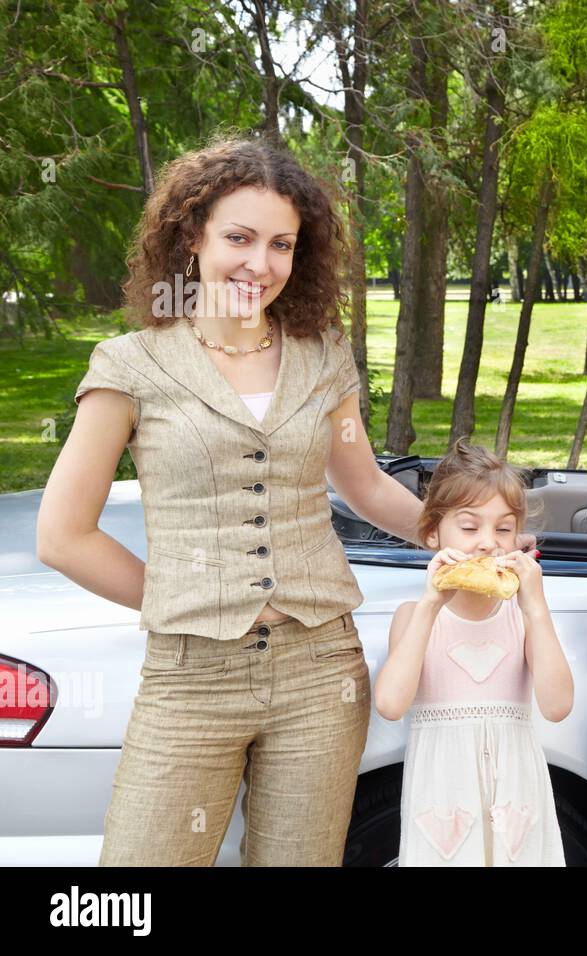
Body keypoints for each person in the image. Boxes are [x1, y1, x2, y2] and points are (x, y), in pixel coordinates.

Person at [39, 135, 430, 865]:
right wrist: (186, 597)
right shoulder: (131, 365)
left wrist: (458, 536)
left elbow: (365, 483)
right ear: (191, 236)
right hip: (190, 675)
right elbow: (63, 535)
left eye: (281, 244)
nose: (261, 263)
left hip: (321, 671)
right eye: (240, 238)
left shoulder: (322, 354)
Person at [375, 440, 571, 866]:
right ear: (432, 534)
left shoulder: (523, 617)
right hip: (443, 804)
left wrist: (534, 605)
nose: (487, 543)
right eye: (469, 528)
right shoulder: (415, 615)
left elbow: (557, 706)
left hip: (517, 802)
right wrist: (430, 603)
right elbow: (391, 704)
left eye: (503, 529)